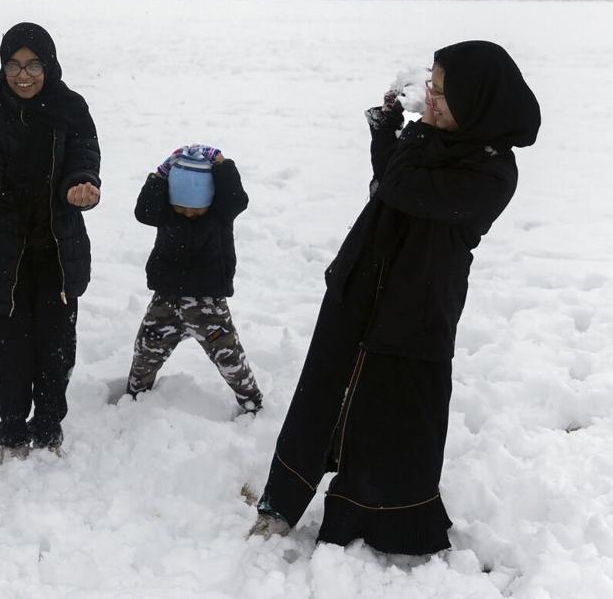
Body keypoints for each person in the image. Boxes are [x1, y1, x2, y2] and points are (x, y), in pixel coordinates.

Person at [250, 41, 540, 555]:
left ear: (475, 101)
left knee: (393, 409)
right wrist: (387, 127)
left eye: (442, 92)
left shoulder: (493, 172)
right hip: (365, 279)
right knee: (322, 390)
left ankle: (381, 519)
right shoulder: (435, 140)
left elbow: (402, 186)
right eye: (431, 85)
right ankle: (282, 500)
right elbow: (390, 176)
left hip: (418, 303)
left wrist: (415, 132)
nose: (431, 98)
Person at [0, 23, 101, 461]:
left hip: (57, 249)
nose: (23, 75)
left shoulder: (70, 107)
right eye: (13, 65)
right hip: (4, 252)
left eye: (32, 65)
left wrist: (82, 182)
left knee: (56, 346)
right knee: (10, 350)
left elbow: (84, 154)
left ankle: (48, 423)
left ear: (49, 65)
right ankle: (11, 425)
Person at [124, 144, 263, 414]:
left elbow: (237, 198)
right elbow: (144, 211)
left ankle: (252, 402)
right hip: (165, 301)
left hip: (208, 306)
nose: (188, 214)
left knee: (229, 357)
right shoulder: (165, 212)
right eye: (181, 208)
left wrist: (222, 164)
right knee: (146, 350)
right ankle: (135, 397)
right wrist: (160, 175)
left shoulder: (221, 213)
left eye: (196, 210)